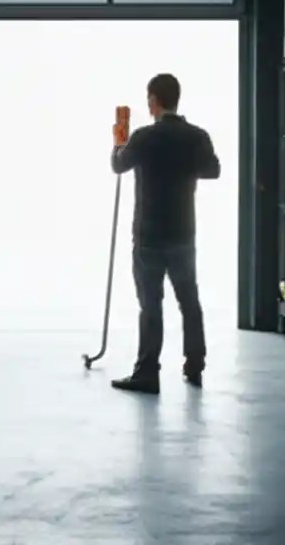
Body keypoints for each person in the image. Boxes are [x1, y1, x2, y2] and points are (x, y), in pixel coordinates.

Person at [108, 73, 221, 395]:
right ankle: (195, 365)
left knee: (151, 304)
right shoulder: (196, 136)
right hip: (183, 232)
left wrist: (119, 141)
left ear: (154, 100)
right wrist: (184, 167)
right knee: (189, 300)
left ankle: (147, 373)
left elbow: (119, 165)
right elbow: (213, 170)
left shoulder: (143, 137)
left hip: (148, 235)